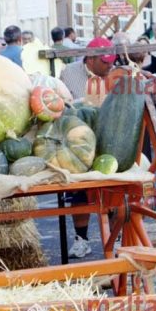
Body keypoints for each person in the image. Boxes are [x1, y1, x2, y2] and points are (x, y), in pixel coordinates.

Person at [59, 38, 117, 258]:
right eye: (104, 62)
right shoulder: (69, 73)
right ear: (91, 59)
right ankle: (81, 239)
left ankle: (115, 235)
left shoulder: (115, 74)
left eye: (111, 61)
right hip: (79, 141)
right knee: (78, 192)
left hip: (109, 137)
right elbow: (62, 103)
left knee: (113, 189)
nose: (109, 66)